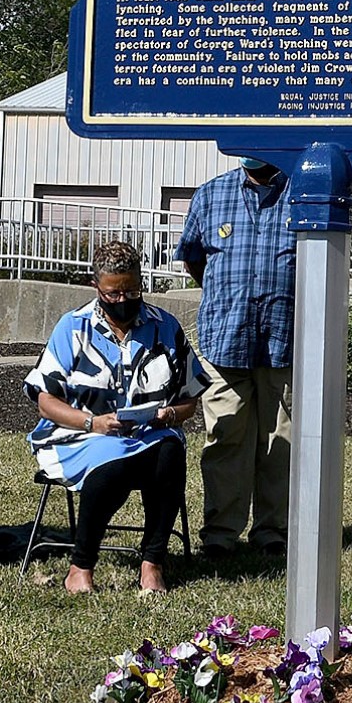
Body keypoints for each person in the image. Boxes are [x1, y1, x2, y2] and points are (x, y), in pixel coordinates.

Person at [24, 241, 207, 594]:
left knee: (171, 454)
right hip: (81, 434)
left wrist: (170, 414)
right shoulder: (72, 328)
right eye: (113, 294)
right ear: (96, 288)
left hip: (151, 433)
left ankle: (152, 564)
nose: (123, 300)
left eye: (132, 290)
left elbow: (190, 399)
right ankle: (80, 566)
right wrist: (94, 423)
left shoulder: (164, 327)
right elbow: (45, 401)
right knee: (113, 467)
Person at [174, 156, 296, 555]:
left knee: (281, 441)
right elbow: (195, 259)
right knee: (225, 436)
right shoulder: (211, 195)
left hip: (286, 341)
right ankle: (221, 534)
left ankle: (272, 531)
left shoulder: (301, 193)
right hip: (224, 340)